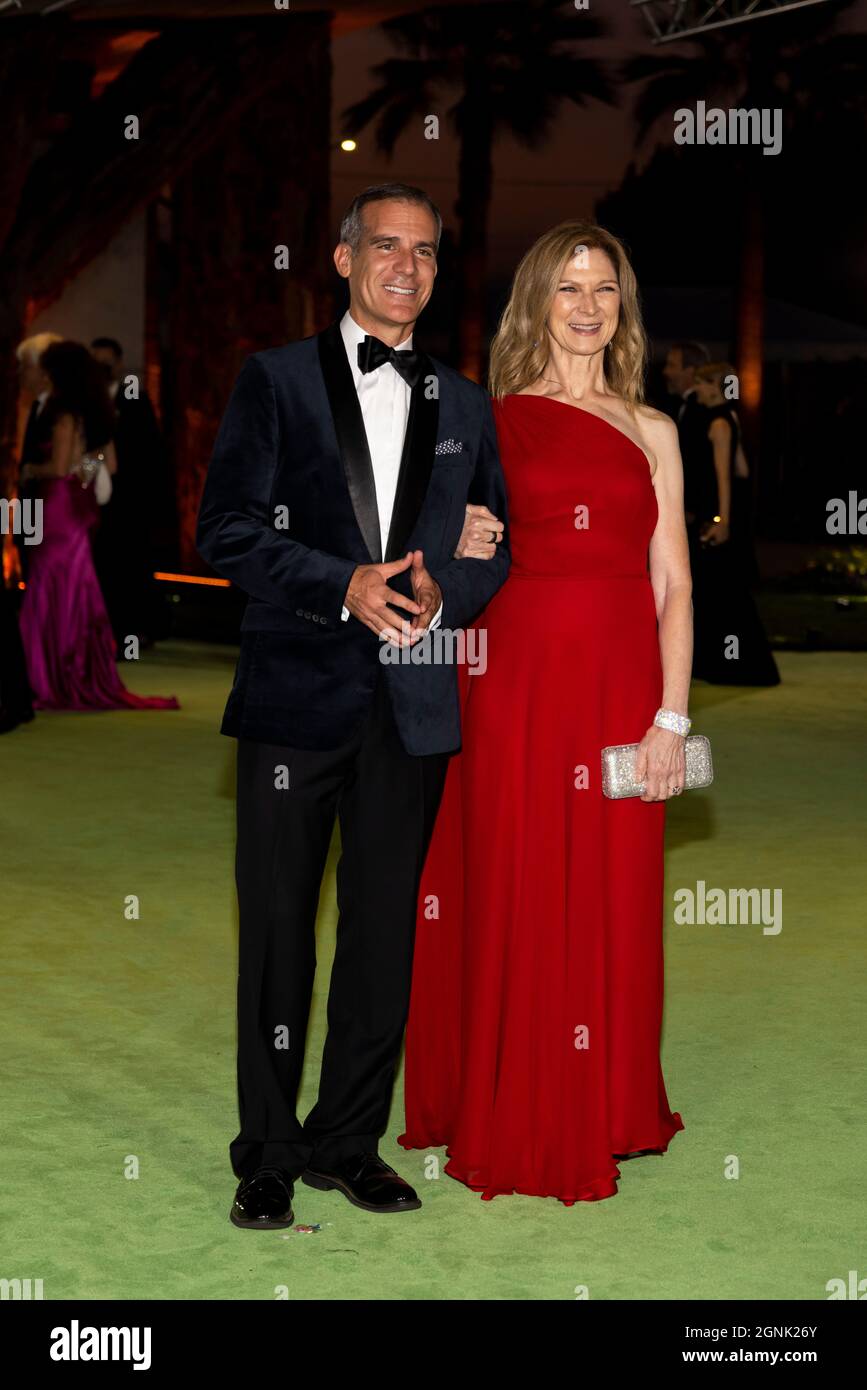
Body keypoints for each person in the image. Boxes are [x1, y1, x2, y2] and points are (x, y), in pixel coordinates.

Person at [196, 183, 510, 1230]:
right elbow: (226, 531)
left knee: (384, 935)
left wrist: (435, 596)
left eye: (423, 253)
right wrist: (342, 582)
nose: (404, 267)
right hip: (295, 700)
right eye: (385, 246)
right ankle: (268, 1154)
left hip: (411, 707)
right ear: (342, 259)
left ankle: (348, 1142)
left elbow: (488, 541)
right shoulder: (275, 380)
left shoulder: (465, 404)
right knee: (281, 934)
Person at [400, 222, 692, 1204]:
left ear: (622, 305)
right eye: (567, 288)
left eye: (603, 288)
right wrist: (463, 535)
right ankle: (508, 1097)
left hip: (616, 680)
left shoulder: (654, 430)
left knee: (610, 885)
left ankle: (608, 1098)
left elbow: (675, 586)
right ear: (538, 302)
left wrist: (672, 718)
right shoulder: (488, 420)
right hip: (515, 680)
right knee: (516, 877)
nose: (586, 305)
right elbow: (456, 551)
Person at [17, 340, 180, 711]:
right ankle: (67, 670)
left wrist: (31, 469)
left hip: (56, 505)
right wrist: (84, 470)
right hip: (77, 505)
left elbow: (59, 468)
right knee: (74, 586)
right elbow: (108, 463)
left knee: (49, 584)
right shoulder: (92, 410)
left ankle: (49, 674)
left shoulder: (63, 412)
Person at [688, 362, 780, 686]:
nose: (697, 389)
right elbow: (742, 469)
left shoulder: (718, 424)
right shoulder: (731, 420)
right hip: (722, 518)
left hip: (715, 519)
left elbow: (725, 476)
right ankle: (724, 661)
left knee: (721, 593)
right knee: (723, 591)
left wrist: (721, 519)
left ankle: (730, 664)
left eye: (700, 383)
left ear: (714, 386)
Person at [90, 337, 171, 645]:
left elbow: (149, 451)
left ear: (119, 364)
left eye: (106, 364)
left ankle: (132, 631)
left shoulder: (133, 398)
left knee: (131, 565)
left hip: (130, 502)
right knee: (102, 565)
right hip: (98, 500)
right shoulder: (90, 401)